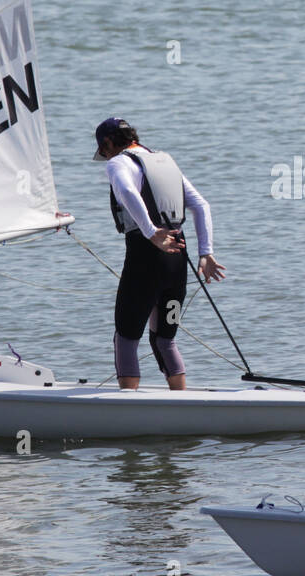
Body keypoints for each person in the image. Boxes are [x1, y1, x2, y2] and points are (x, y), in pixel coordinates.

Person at [93, 118, 225, 390]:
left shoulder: (118, 163)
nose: (104, 156)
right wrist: (206, 252)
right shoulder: (164, 162)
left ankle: (127, 406)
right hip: (178, 261)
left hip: (146, 257)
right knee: (165, 338)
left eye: (103, 150)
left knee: (126, 338)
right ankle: (180, 401)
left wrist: (151, 232)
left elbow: (127, 191)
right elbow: (201, 205)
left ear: (108, 143)